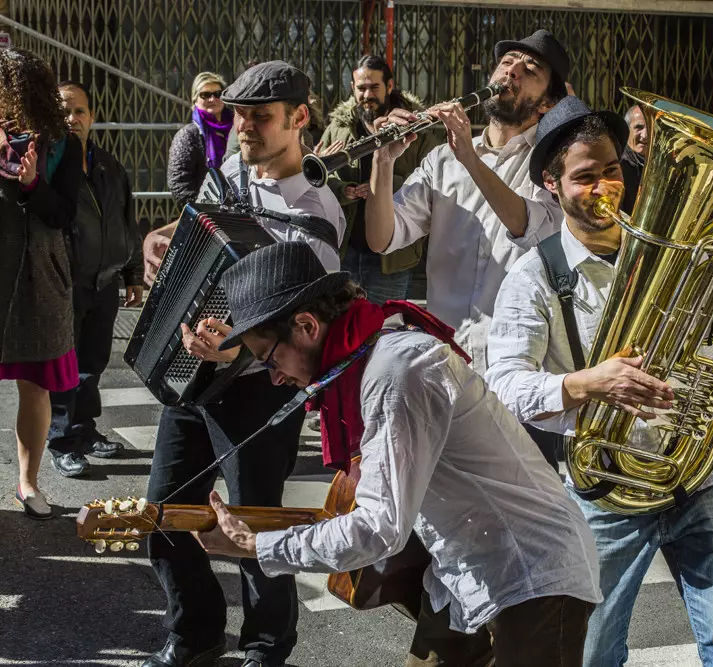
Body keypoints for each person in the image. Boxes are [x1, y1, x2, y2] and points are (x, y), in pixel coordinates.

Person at [485, 96, 713, 667]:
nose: (603, 187)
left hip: (705, 478)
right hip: (605, 490)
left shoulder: (688, 255)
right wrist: (587, 383)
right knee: (595, 650)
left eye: (610, 170)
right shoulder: (533, 276)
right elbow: (502, 385)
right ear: (552, 186)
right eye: (583, 178)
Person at [194, 241, 602, 665]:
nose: (275, 378)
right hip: (465, 571)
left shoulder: (396, 371)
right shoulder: (371, 361)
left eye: (270, 358)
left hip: (531, 574)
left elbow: (378, 528)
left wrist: (257, 545)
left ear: (307, 326)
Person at [138, 61, 345, 667]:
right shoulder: (229, 169)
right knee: (163, 513)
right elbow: (194, 228)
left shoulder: (316, 211)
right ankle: (195, 634)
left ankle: (265, 647)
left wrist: (236, 347)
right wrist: (159, 238)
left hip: (259, 386)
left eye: (260, 116)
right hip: (195, 378)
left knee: (257, 527)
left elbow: (307, 318)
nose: (245, 127)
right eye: (238, 115)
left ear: (299, 118)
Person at [364, 29, 569, 372]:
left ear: (547, 103)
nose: (511, 72)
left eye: (529, 70)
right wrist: (382, 161)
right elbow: (382, 238)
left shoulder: (554, 163)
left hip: (519, 361)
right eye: (506, 63)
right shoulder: (442, 159)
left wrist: (470, 161)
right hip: (445, 353)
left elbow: (529, 228)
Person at [45, 80, 144, 478]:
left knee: (93, 364)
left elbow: (127, 219)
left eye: (80, 111)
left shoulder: (108, 165)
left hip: (104, 282)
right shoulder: (49, 166)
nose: (72, 119)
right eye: (64, 111)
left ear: (92, 117)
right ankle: (61, 441)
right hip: (63, 283)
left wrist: (132, 272)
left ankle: (85, 432)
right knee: (63, 365)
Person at [0, 49, 83, 520]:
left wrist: (32, 183)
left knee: (36, 384)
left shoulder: (61, 144)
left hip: (39, 274)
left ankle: (28, 484)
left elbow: (63, 214)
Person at [316, 55, 440, 303]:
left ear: (390, 86)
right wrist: (344, 190)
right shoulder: (338, 127)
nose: (367, 95)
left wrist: (382, 186)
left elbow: (433, 182)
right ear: (352, 88)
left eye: (374, 87)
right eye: (361, 88)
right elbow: (320, 179)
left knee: (386, 330)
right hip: (346, 251)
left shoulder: (417, 128)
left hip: (392, 258)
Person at [167, 71, 234, 204]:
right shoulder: (189, 135)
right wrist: (204, 208)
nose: (212, 99)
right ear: (195, 100)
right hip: (209, 212)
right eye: (205, 95)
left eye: (217, 94)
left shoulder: (238, 126)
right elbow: (178, 183)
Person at [619, 104, 647, 215]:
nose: (645, 135)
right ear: (627, 130)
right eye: (638, 127)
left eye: (650, 127)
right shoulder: (620, 165)